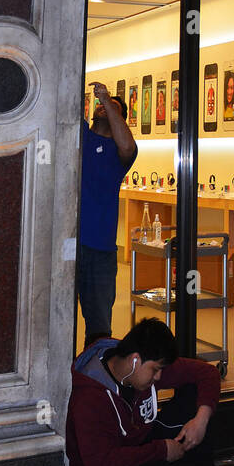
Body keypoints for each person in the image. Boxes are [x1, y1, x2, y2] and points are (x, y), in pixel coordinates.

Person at [66, 318, 234, 466]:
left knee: (195, 393)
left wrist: (200, 420)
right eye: (155, 369)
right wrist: (160, 450)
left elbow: (207, 373)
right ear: (134, 360)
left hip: (141, 449)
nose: (159, 377)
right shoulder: (88, 397)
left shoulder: (140, 365)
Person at [78, 81, 138, 347]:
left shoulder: (119, 154)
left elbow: (128, 146)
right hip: (67, 245)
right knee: (54, 318)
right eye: (102, 105)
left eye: (113, 108)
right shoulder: (81, 135)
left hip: (101, 251)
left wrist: (107, 100)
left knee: (99, 326)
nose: (104, 107)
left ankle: (94, 378)